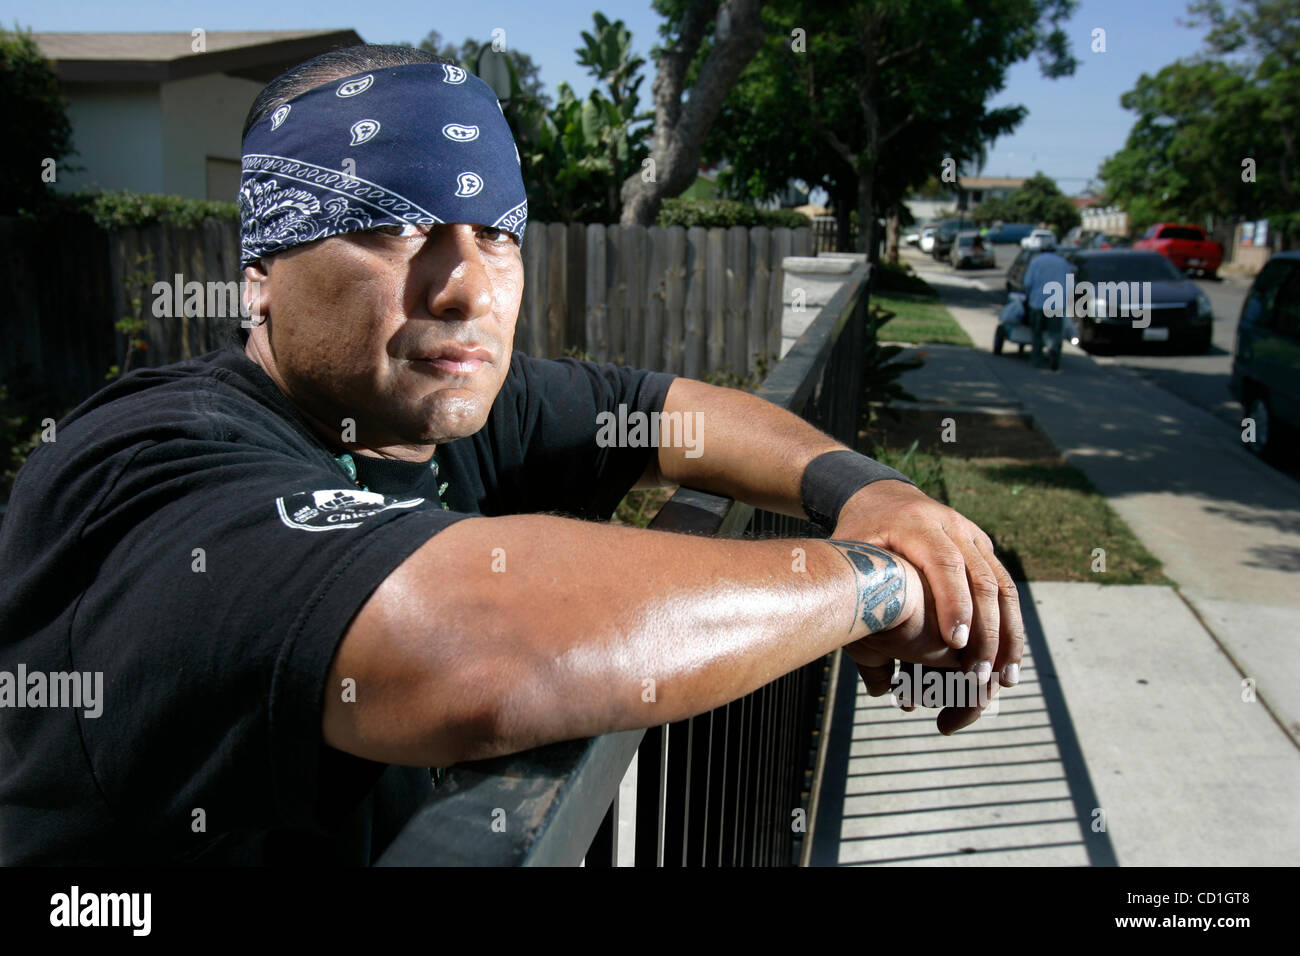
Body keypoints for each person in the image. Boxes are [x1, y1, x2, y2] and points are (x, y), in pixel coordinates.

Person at [0, 44, 1024, 864]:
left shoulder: (439, 403)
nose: (465, 286)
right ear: (261, 268)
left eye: (494, 232)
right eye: (392, 226)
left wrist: (876, 492)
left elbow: (663, 408)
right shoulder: (146, 469)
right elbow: (483, 653)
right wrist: (881, 582)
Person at [1022, 248, 1073, 369]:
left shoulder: (1036, 261)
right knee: (1055, 332)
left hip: (1038, 302)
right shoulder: (1063, 262)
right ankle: (1054, 350)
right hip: (1057, 303)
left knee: (1037, 333)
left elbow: (1028, 282)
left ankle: (1037, 359)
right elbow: (1070, 284)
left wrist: (1028, 295)